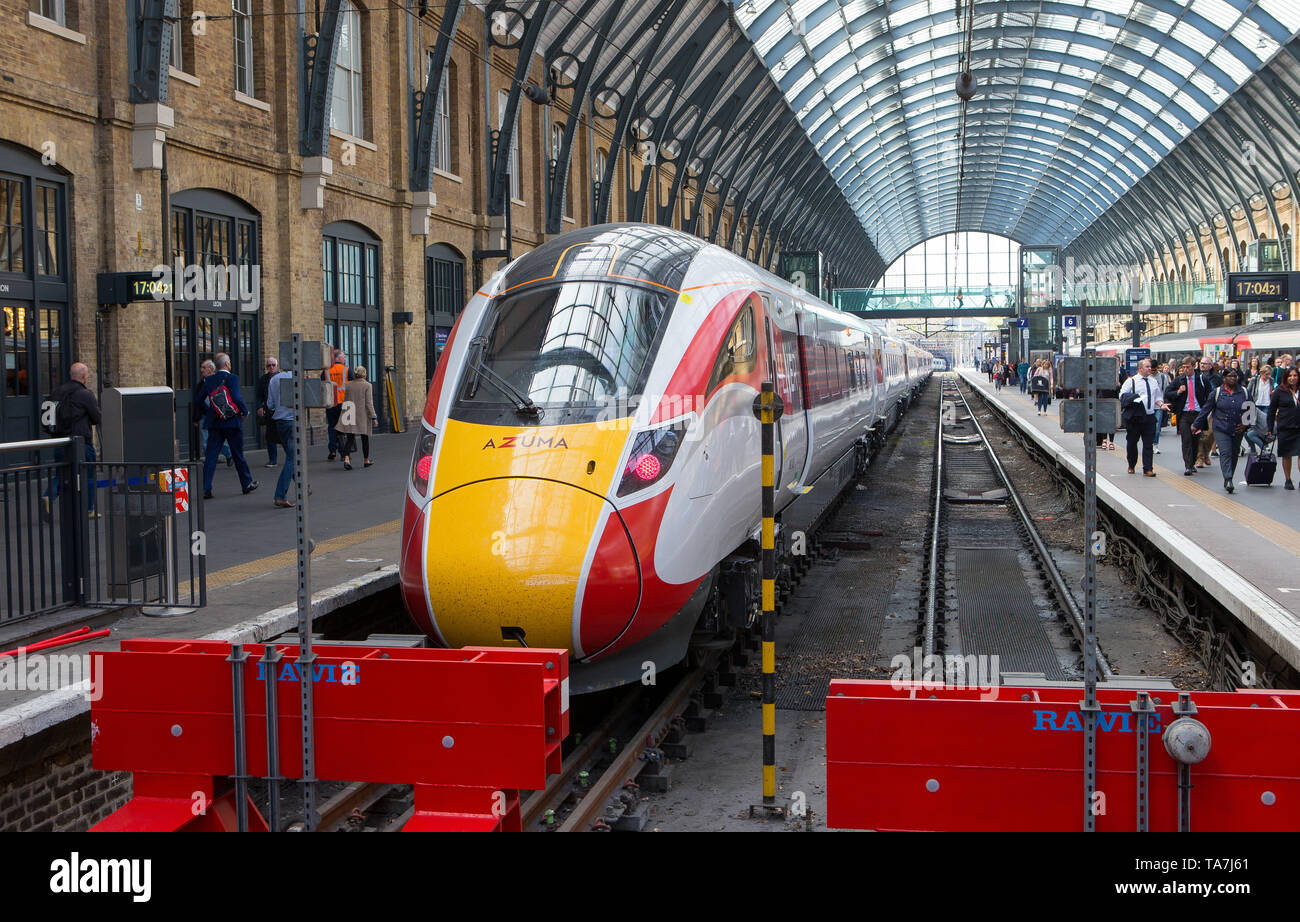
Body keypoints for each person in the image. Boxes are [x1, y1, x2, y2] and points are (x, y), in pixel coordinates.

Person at [196, 352, 257, 499]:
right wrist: (244, 411)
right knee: (237, 454)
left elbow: (199, 400)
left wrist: (210, 412)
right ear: (227, 364)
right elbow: (236, 397)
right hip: (231, 422)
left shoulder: (209, 380)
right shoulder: (232, 378)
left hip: (215, 423)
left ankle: (206, 488)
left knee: (211, 456)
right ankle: (246, 483)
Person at [44, 362, 101, 518]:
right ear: (83, 376)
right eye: (87, 374)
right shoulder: (85, 394)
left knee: (61, 474)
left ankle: (48, 495)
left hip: (60, 441)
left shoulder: (57, 392)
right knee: (88, 474)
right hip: (81, 442)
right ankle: (89, 509)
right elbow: (96, 418)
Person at [1192, 368, 1249, 494]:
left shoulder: (1244, 392)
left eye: (1235, 376)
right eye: (1230, 376)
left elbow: (1251, 409)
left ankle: (1229, 476)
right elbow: (1206, 409)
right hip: (1221, 427)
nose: (1233, 378)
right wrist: (1196, 424)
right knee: (1225, 452)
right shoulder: (1217, 392)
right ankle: (1228, 479)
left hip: (1238, 428)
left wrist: (1246, 424)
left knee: (1234, 453)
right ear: (1224, 378)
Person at [1119, 358, 1167, 477]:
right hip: (1135, 417)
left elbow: (1157, 397)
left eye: (1150, 367)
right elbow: (1122, 395)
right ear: (1140, 368)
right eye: (1147, 367)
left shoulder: (1153, 381)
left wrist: (1161, 404)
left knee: (1148, 444)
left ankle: (1148, 468)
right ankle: (1131, 464)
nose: (1150, 369)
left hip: (1149, 416)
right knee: (1132, 442)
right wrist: (1133, 398)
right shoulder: (1131, 381)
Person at [265, 365, 304, 508]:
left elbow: (270, 405)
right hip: (293, 421)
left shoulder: (274, 379)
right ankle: (280, 495)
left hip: (280, 422)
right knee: (292, 457)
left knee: (292, 456)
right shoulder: (297, 378)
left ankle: (304, 486)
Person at [337, 366, 378, 470]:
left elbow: (346, 400)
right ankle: (366, 460)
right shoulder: (367, 385)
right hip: (362, 414)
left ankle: (346, 458)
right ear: (364, 374)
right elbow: (369, 403)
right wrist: (373, 417)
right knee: (365, 438)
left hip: (350, 412)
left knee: (350, 438)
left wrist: (344, 414)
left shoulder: (349, 385)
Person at [192, 360, 232, 467]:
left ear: (210, 369)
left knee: (221, 440)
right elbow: (197, 401)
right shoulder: (201, 384)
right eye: (201, 367)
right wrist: (195, 418)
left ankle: (229, 455)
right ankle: (210, 461)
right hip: (205, 415)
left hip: (218, 415)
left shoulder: (218, 380)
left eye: (203, 367)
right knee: (206, 441)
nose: (201, 370)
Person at [1269, 366, 1300, 490]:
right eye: (1290, 376)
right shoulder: (1279, 391)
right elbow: (1271, 410)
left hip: (1299, 427)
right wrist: (1270, 428)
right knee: (1287, 455)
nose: (1293, 378)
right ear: (1286, 378)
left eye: (1295, 376)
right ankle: (1288, 479)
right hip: (1285, 427)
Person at [324, 348, 349, 461]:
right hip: (344, 402)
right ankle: (344, 452)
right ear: (338, 358)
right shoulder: (346, 370)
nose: (344, 359)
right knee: (344, 427)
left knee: (332, 426)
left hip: (331, 403)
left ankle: (332, 450)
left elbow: (322, 385)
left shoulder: (326, 371)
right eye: (344, 357)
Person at [256, 355, 280, 469]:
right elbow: (259, 395)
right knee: (270, 436)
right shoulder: (263, 379)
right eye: (269, 365)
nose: (271, 367)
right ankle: (273, 459)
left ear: (277, 366)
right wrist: (260, 407)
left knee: (284, 435)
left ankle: (292, 457)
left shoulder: (281, 377)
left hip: (280, 410)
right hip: (268, 410)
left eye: (273, 365)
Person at [1245, 363, 1274, 456]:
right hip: (1256, 405)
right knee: (1249, 428)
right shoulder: (1255, 380)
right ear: (1262, 373)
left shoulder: (1271, 381)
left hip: (1267, 405)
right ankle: (1252, 448)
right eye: (1266, 374)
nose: (1268, 376)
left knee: (1264, 427)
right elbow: (1248, 391)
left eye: (1269, 374)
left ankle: (1264, 446)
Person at [1150, 359, 1171, 455]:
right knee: (1148, 427)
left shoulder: (1163, 377)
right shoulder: (1147, 377)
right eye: (1151, 370)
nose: (1152, 372)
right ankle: (1149, 444)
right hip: (1148, 406)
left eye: (1154, 370)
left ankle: (1155, 444)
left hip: (1159, 406)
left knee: (1157, 427)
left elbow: (1166, 390)